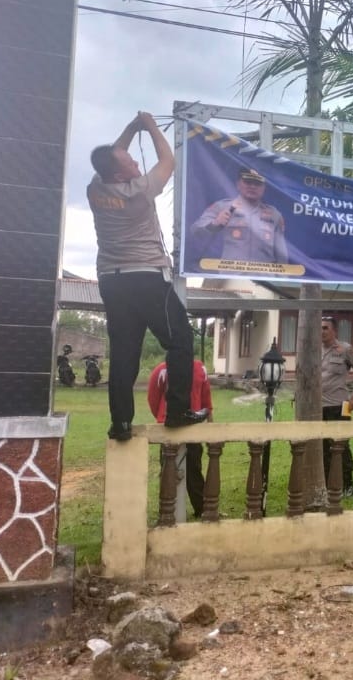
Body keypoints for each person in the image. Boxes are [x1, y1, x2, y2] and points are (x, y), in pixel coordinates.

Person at [87, 111, 208, 441]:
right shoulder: (139, 191)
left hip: (112, 281)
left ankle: (121, 423)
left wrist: (129, 128)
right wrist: (151, 126)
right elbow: (167, 159)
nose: (137, 165)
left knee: (125, 352)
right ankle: (179, 410)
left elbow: (111, 156)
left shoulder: (96, 189)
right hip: (146, 278)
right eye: (130, 163)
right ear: (119, 172)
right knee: (180, 340)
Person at [148, 360, 213, 518]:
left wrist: (211, 422)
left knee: (194, 468)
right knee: (168, 470)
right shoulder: (162, 370)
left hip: (193, 427)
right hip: (169, 427)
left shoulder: (200, 369)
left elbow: (206, 397)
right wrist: (162, 417)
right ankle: (167, 511)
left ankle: (202, 508)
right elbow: (153, 398)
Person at [189, 167, 288, 263]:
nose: (252, 186)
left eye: (257, 183)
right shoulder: (220, 207)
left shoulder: (274, 214)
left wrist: (281, 278)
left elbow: (281, 253)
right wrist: (215, 223)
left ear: (264, 188)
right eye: (248, 182)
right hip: (229, 276)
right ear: (238, 185)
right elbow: (195, 232)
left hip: (263, 277)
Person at [320, 316, 353, 499]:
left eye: (325, 328)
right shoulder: (313, 349)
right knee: (323, 448)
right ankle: (326, 484)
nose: (322, 331)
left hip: (341, 405)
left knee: (341, 445)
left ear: (334, 331)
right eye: (320, 328)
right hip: (319, 407)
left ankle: (347, 485)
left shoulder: (345, 350)